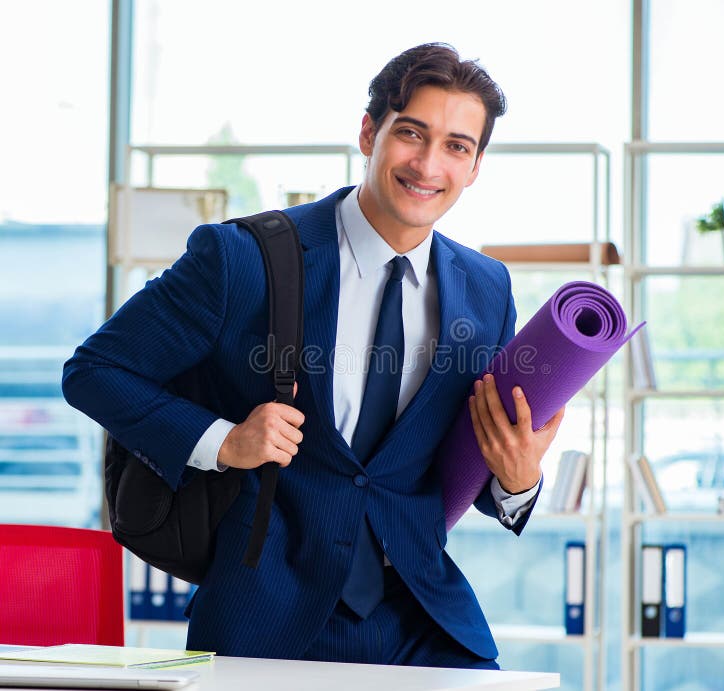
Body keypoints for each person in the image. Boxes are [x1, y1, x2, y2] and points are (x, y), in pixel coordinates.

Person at [63, 42, 564, 669]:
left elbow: (469, 471)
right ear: (368, 132)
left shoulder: (486, 289)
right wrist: (222, 441)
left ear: (476, 164)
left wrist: (518, 482)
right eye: (412, 133)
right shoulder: (242, 260)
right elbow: (94, 371)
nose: (429, 164)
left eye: (457, 146)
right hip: (268, 614)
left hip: (421, 617)